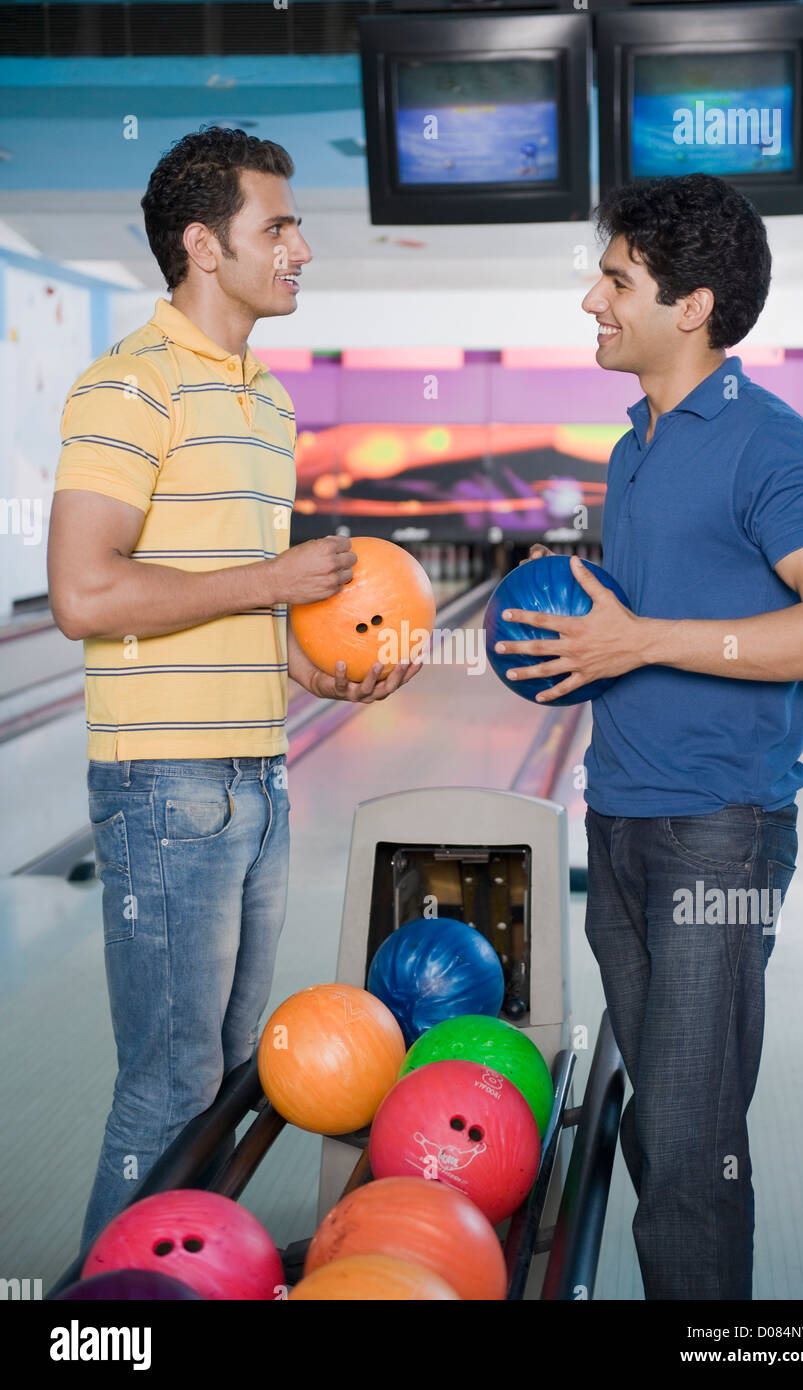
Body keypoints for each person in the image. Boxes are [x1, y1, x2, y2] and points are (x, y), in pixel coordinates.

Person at [47, 127, 421, 1253]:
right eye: (280, 226)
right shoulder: (127, 386)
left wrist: (316, 669)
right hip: (166, 789)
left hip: (254, 779)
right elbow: (83, 591)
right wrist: (275, 576)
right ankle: (103, 1316)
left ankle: (177, 1283)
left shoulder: (264, 401)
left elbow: (230, 609)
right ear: (204, 246)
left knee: (217, 1079)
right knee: (169, 1081)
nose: (302, 246)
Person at [497, 172, 803, 1299]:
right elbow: (644, 616)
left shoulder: (771, 446)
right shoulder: (636, 443)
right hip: (621, 818)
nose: (591, 303)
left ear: (690, 306)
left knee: (692, 1151)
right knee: (662, 1127)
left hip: (721, 833)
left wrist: (638, 638)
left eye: (616, 281)